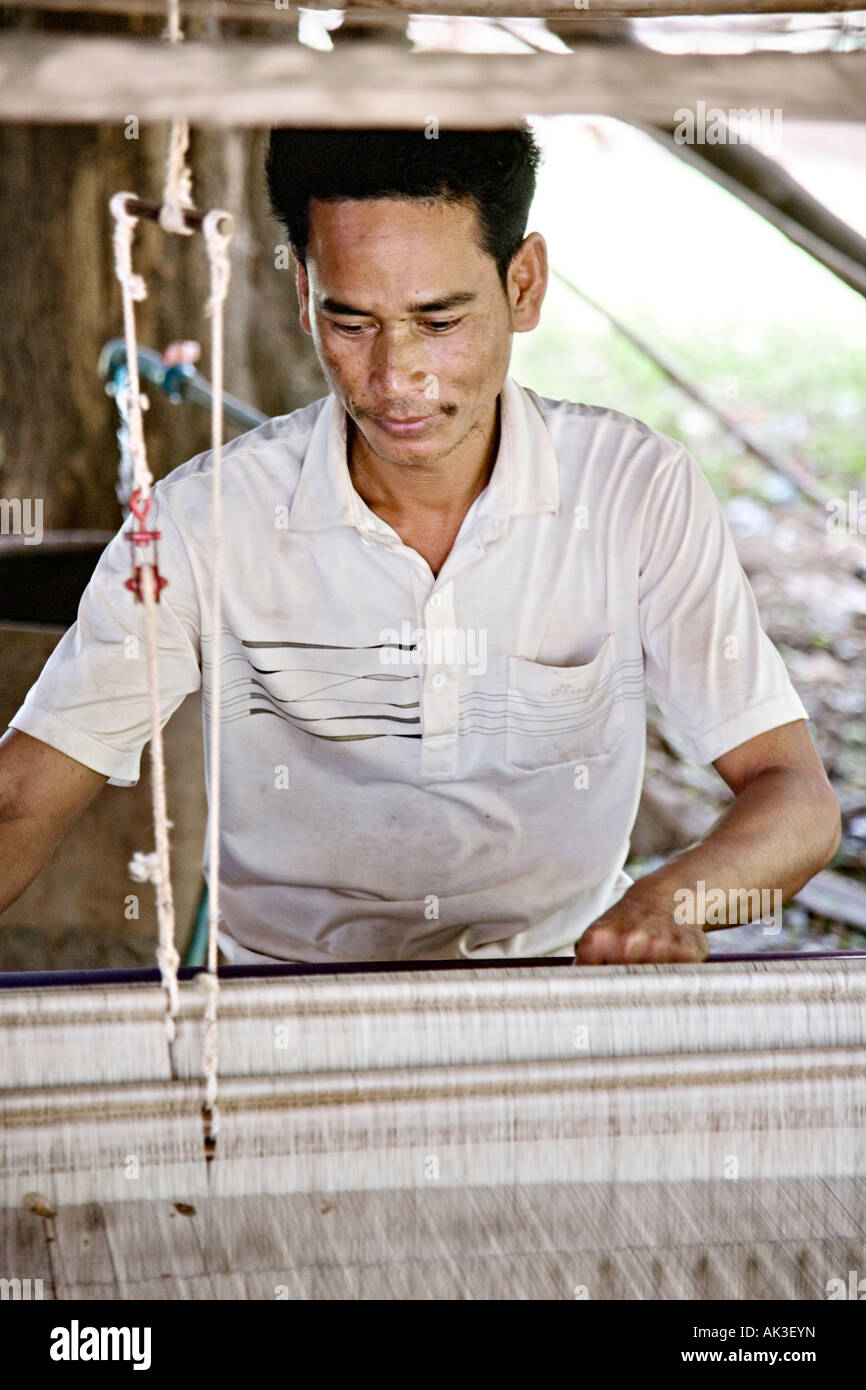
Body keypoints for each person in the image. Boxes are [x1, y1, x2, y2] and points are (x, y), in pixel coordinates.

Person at [0, 125, 840, 966]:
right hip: (280, 1013)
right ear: (302, 295)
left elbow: (796, 798)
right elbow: (20, 799)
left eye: (439, 321)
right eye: (352, 321)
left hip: (558, 986)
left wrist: (666, 901)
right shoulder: (200, 522)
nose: (398, 376)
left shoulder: (632, 492)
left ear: (524, 284)